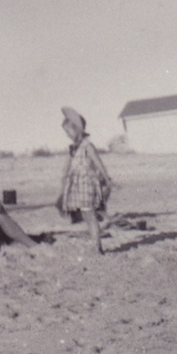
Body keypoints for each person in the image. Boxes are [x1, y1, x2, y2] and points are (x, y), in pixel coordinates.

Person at [59, 106, 112, 255]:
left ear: (77, 130)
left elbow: (98, 163)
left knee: (90, 214)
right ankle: (96, 242)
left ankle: (97, 246)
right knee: (86, 215)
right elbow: (68, 166)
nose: (67, 135)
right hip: (77, 185)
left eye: (69, 132)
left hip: (87, 183)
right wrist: (64, 179)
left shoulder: (88, 146)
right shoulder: (74, 148)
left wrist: (106, 179)